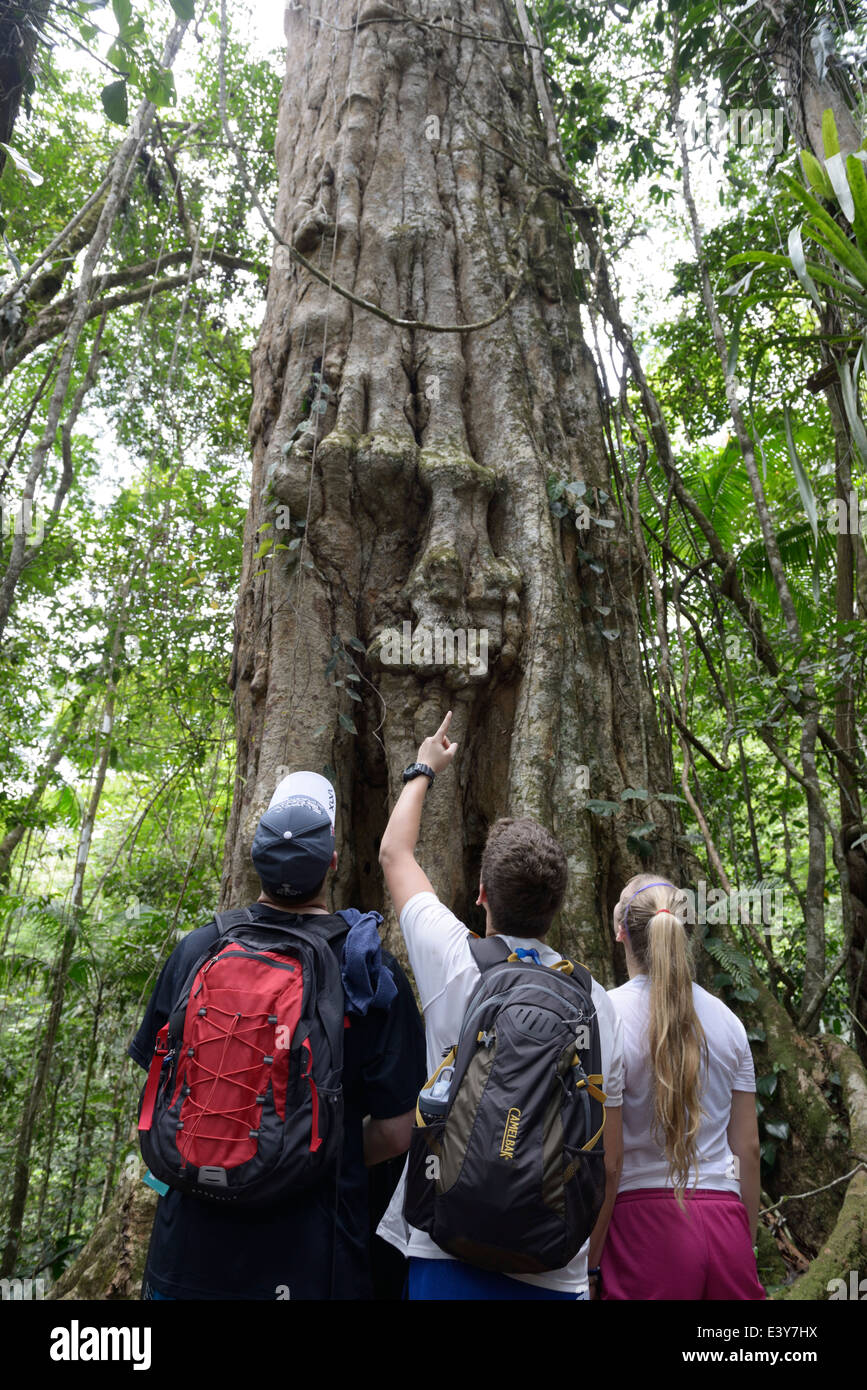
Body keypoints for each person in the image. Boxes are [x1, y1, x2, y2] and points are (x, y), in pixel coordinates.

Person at [131, 770, 425, 1300]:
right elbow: (399, 1131)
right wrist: (303, 1143)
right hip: (311, 1261)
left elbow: (162, 1088)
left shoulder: (197, 950)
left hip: (186, 1255)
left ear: (255, 859)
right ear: (333, 862)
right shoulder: (368, 973)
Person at [376, 712, 624, 1299]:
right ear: (559, 906)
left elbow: (394, 853)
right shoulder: (596, 1003)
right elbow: (607, 1159)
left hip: (444, 1247)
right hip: (553, 1268)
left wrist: (424, 767)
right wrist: (587, 1264)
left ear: (482, 894)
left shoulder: (454, 958)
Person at [600, 873, 766, 1301]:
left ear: (621, 931)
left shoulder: (605, 1015)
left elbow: (609, 1159)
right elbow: (747, 1149)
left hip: (641, 1226)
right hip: (726, 1221)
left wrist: (592, 1259)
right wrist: (744, 1244)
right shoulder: (729, 1022)